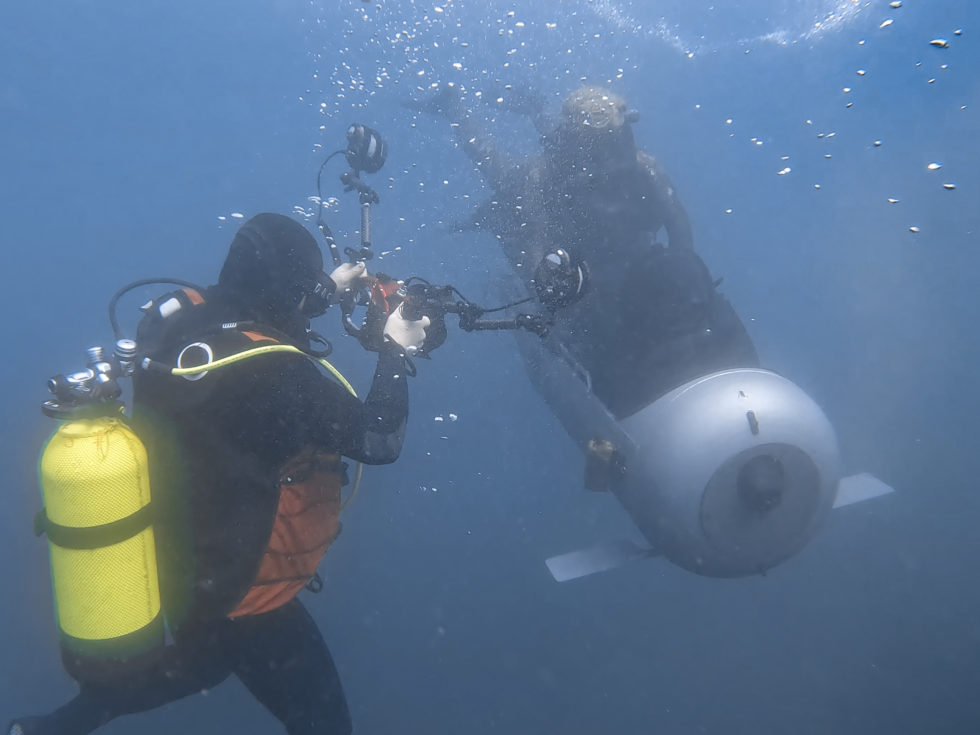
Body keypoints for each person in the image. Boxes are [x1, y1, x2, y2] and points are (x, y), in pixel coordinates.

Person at [9, 213, 434, 735]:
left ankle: (52, 727)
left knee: (199, 665)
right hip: (240, 591)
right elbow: (379, 439)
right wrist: (395, 349)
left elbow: (257, 297)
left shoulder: (173, 320)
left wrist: (325, 286)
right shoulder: (274, 370)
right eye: (305, 291)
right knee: (324, 721)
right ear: (288, 288)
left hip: (176, 561)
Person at [420, 84, 758, 418]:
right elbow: (538, 243)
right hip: (577, 258)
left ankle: (535, 107)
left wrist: (682, 283)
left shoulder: (644, 169)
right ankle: (455, 107)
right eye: (595, 146)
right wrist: (553, 300)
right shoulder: (541, 176)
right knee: (493, 166)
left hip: (628, 259)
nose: (604, 160)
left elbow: (679, 230)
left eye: (610, 144)